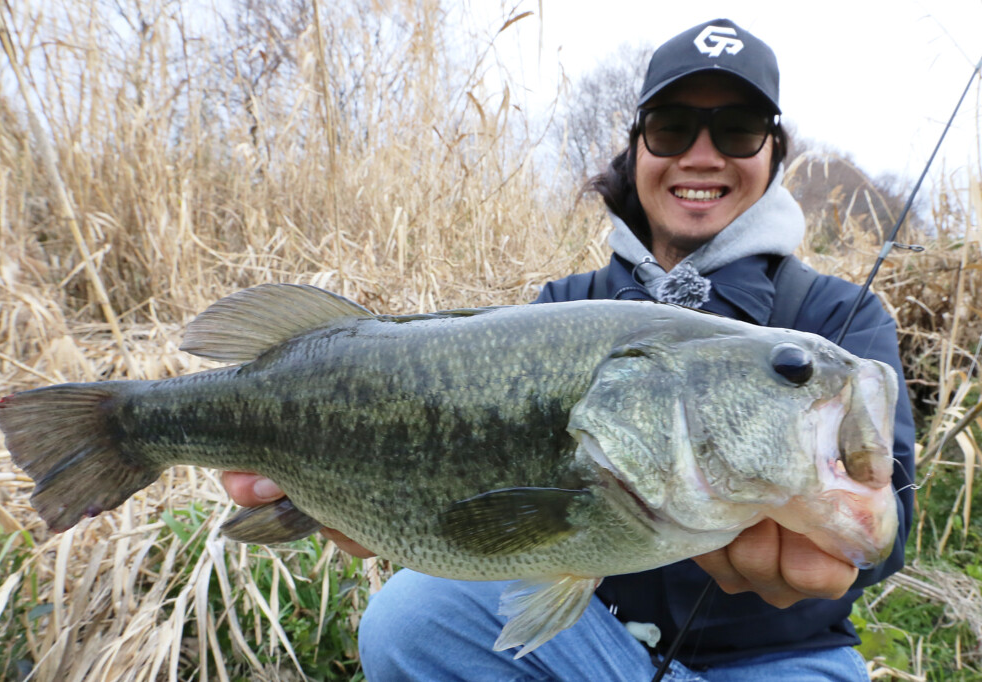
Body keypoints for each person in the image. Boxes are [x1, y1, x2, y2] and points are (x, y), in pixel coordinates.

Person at [223, 18, 915, 681]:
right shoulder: (559, 306)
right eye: (672, 127)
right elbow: (487, 508)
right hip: (590, 644)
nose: (701, 155)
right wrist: (376, 502)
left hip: (782, 665)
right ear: (636, 146)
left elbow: (891, 517)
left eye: (737, 130)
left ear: (773, 153)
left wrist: (859, 534)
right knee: (408, 617)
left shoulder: (834, 318)